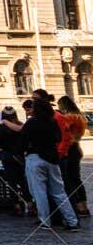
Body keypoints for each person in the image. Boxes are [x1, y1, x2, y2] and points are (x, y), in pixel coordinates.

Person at [19, 92, 79, 229]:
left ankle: (45, 221)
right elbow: (58, 138)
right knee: (59, 192)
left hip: (34, 157)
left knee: (39, 192)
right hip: (52, 158)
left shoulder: (31, 123)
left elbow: (22, 142)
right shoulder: (52, 122)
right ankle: (72, 221)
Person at [55, 95, 88, 217]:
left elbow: (63, 131)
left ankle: (78, 206)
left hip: (70, 149)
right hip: (77, 147)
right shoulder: (80, 116)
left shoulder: (69, 117)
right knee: (76, 178)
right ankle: (83, 205)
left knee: (69, 179)